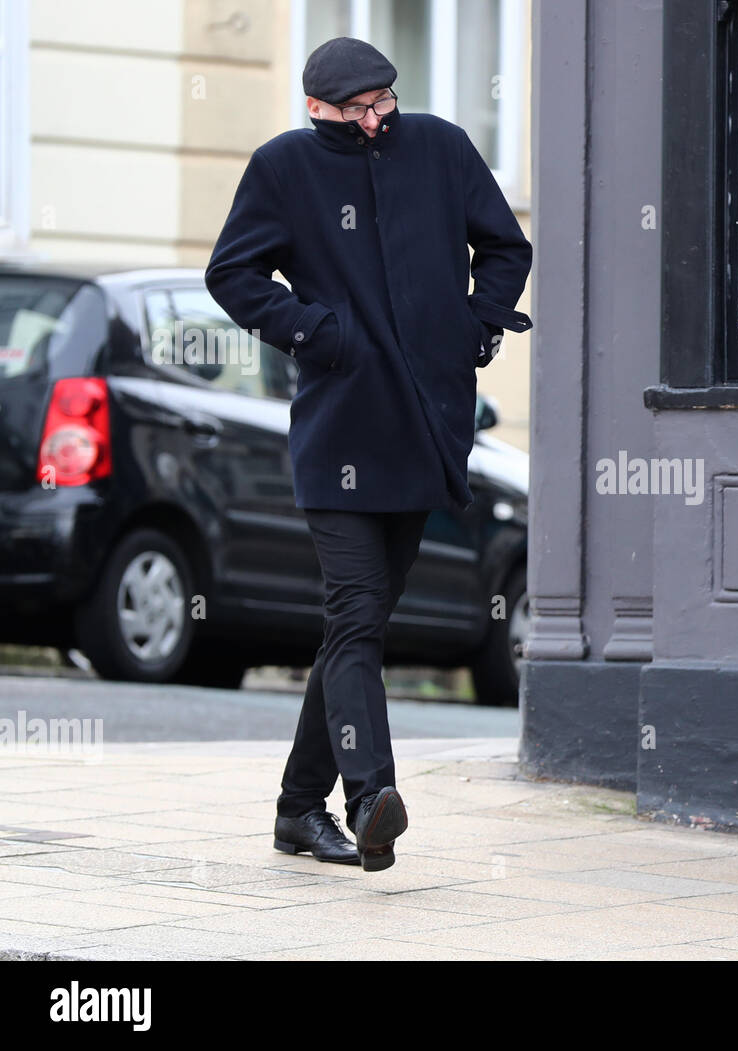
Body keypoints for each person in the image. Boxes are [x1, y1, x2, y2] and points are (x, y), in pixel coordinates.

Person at [205, 37, 532, 872]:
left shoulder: (441, 146)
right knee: (356, 614)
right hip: (340, 432)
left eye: (384, 100)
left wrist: (473, 325)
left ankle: (295, 807)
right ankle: (369, 797)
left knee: (358, 622)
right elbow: (232, 273)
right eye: (358, 109)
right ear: (317, 109)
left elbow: (505, 247)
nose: (377, 118)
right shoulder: (283, 168)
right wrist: (319, 332)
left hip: (424, 434)